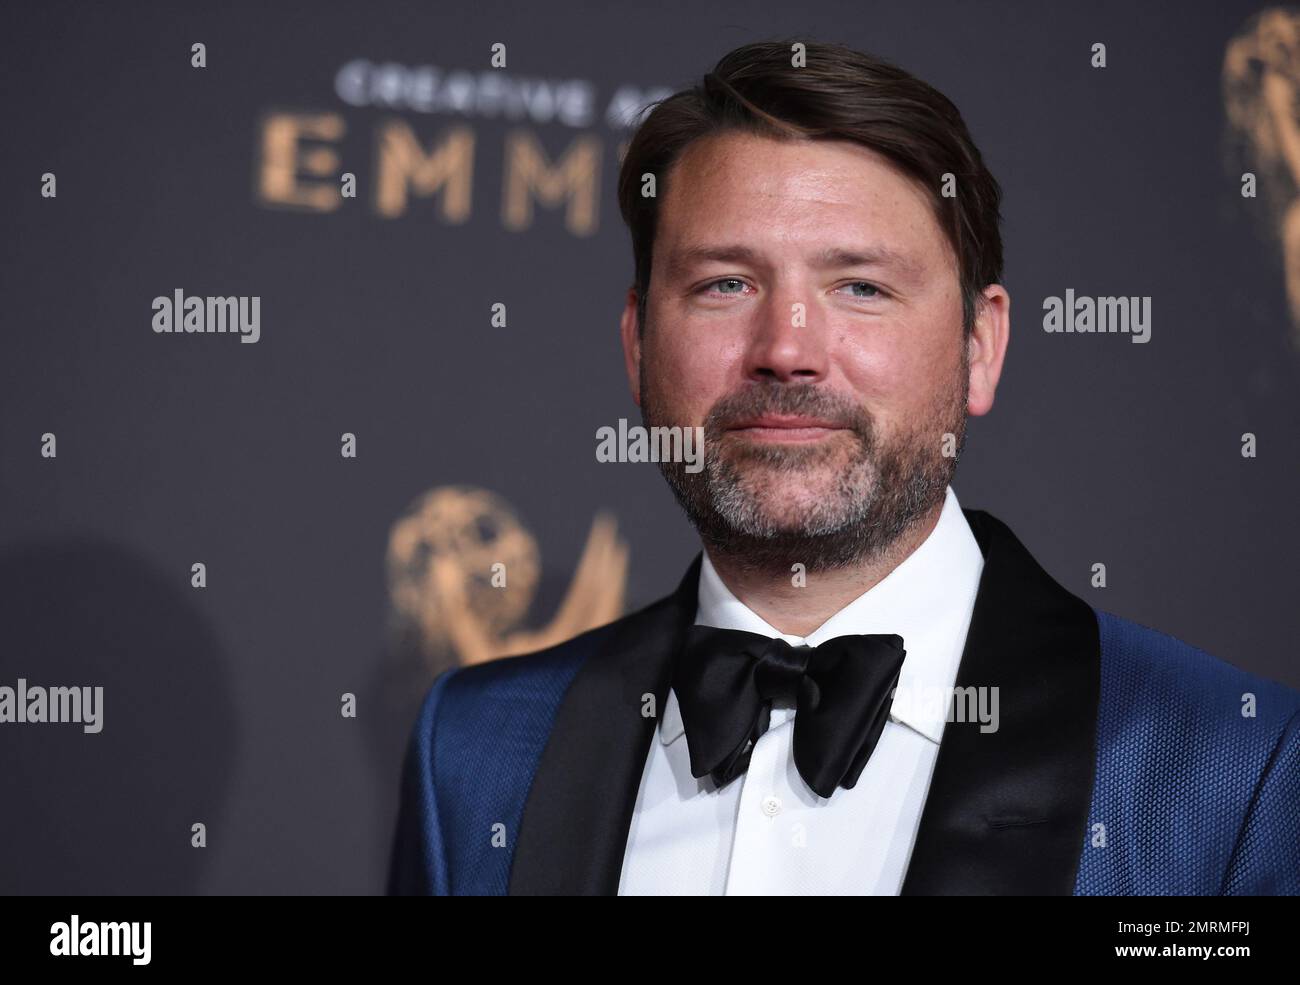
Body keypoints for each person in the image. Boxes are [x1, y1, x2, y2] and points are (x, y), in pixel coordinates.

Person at [387, 38, 1300, 895]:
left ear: (980, 347)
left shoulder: (1230, 770)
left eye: (861, 287)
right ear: (637, 345)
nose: (786, 350)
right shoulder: (474, 751)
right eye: (724, 285)